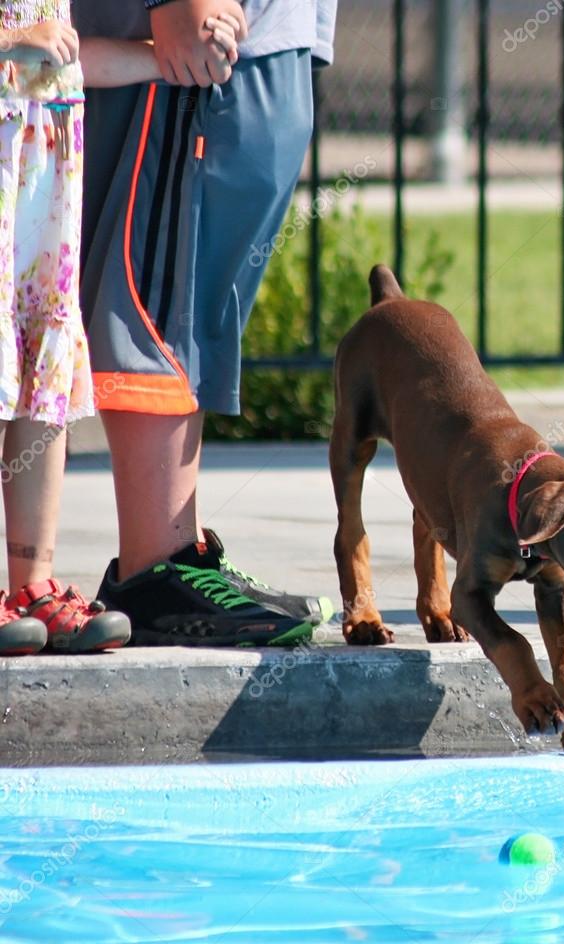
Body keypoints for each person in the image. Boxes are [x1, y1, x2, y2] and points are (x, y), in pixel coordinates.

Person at [75, 0, 338, 647]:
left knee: (197, 306)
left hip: (263, 39)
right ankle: (153, 567)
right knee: (158, 299)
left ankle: (179, 554)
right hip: (190, 44)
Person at [0, 2, 240, 655]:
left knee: (40, 395)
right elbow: (34, 49)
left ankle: (32, 586)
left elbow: (70, 56)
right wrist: (17, 40)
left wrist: (169, 60)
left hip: (38, 214)